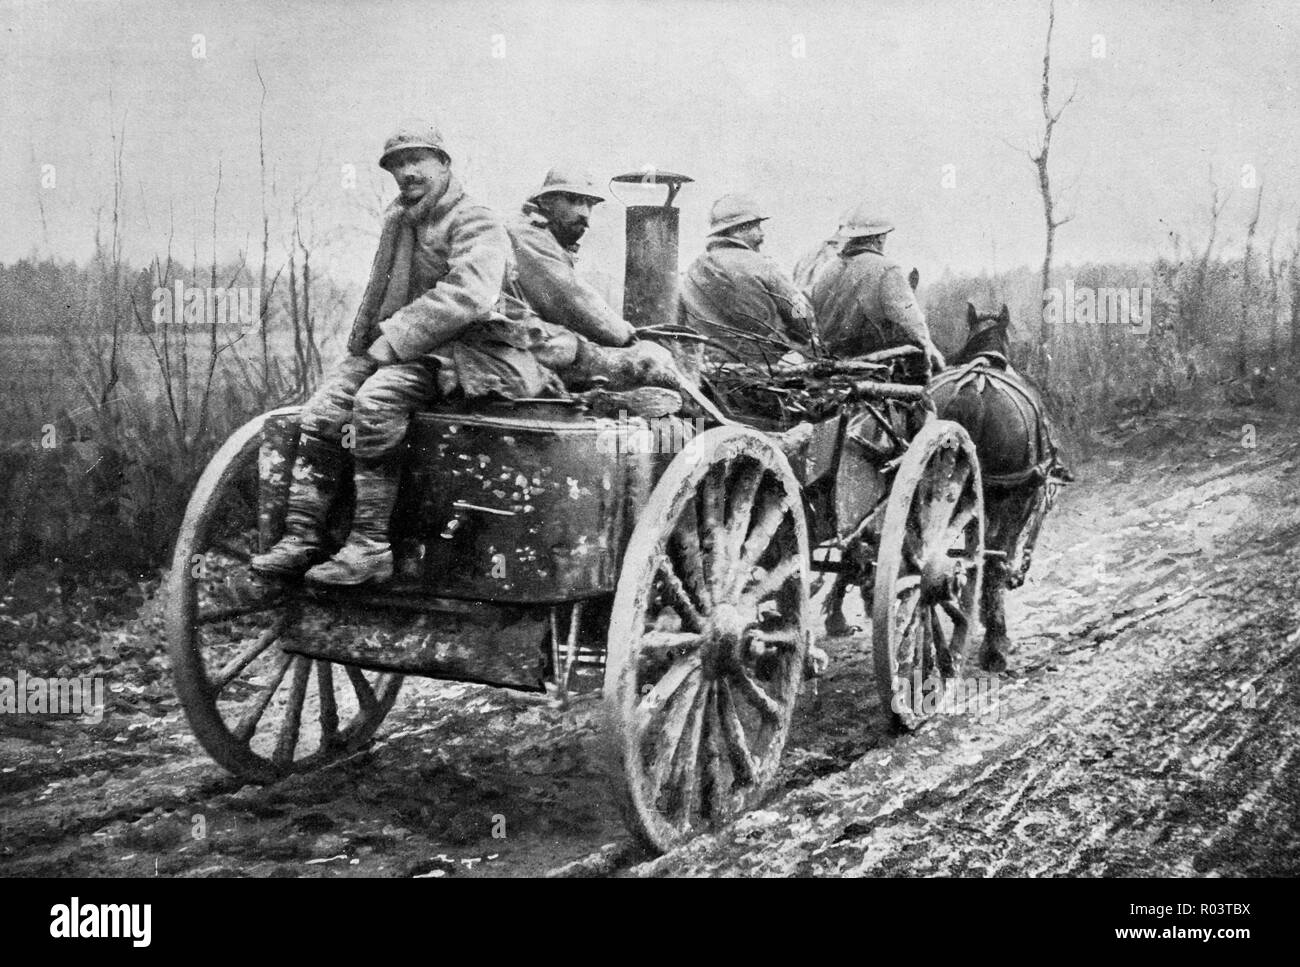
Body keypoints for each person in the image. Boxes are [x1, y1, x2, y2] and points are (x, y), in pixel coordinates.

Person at [251, 118, 555, 586]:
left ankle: (369, 548)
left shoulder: (476, 220)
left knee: (376, 401)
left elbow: (470, 295)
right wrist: (360, 354)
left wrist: (391, 343)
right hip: (412, 347)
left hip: (476, 353)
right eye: (397, 164)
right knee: (323, 409)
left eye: (418, 160)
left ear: (444, 163)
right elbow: (379, 294)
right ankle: (301, 536)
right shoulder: (401, 220)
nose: (408, 172)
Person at [501, 166, 636, 376]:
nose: (584, 213)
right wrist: (625, 335)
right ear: (546, 201)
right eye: (573, 200)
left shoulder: (544, 237)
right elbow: (569, 298)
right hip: (503, 344)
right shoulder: (526, 235)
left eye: (589, 204)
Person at [677, 192, 814, 370]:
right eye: (756, 227)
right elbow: (800, 316)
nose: (761, 234)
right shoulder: (762, 265)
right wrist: (802, 334)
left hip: (710, 370)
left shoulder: (692, 270)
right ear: (740, 228)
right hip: (762, 371)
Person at [810, 205, 945, 374]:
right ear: (880, 237)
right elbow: (912, 326)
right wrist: (933, 357)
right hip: (873, 370)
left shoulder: (826, 270)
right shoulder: (886, 269)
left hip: (830, 369)